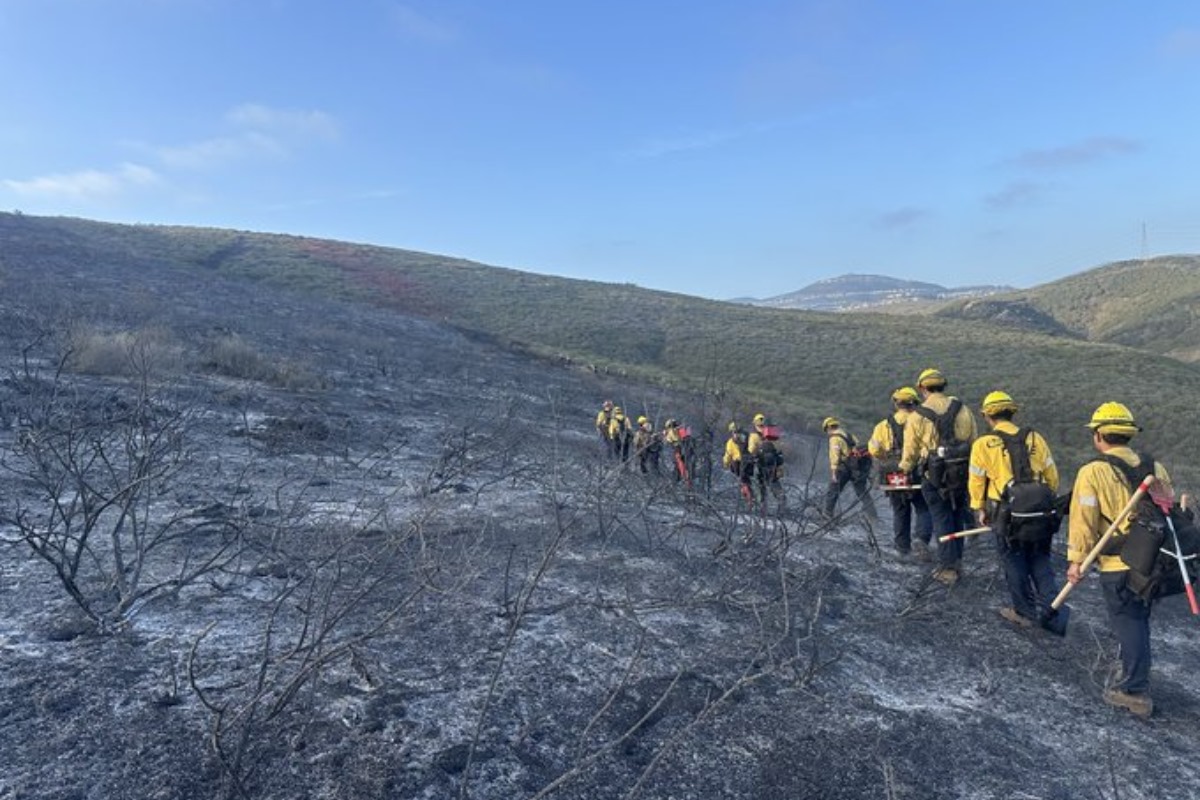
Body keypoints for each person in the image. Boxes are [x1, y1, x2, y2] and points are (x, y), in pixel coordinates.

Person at [1065, 402, 1172, 718]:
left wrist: (1076, 561)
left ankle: (1133, 690)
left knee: (1129, 621)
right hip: (1152, 562)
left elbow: (1083, 520)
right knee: (1139, 619)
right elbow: (1167, 511)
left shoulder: (1093, 471)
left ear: (1099, 435)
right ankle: (1133, 670)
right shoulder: (1157, 468)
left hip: (1118, 565)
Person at [968, 391, 1062, 629]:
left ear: (988, 416)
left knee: (1014, 559)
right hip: (1041, 509)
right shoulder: (1035, 438)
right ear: (1012, 412)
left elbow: (977, 481)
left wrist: (979, 508)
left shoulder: (983, 444)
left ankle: (1024, 612)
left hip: (1006, 512)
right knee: (1041, 559)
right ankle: (1054, 612)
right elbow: (1052, 476)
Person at [899, 368, 978, 585]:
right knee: (957, 516)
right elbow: (974, 441)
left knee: (942, 518)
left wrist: (905, 471)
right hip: (962, 473)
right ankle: (957, 561)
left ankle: (947, 569)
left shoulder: (917, 416)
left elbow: (910, 453)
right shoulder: (963, 410)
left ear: (922, 388)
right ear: (943, 386)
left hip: (934, 475)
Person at [869, 387, 932, 560]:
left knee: (900, 509)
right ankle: (921, 540)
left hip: (893, 472)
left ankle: (902, 548)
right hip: (918, 469)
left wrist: (888, 459)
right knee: (923, 507)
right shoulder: (923, 422)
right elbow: (930, 446)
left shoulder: (882, 426)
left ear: (896, 403)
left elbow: (874, 449)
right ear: (915, 403)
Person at [822, 417, 876, 520]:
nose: (827, 433)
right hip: (857, 468)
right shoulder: (849, 434)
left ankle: (827, 516)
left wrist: (834, 472)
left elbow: (834, 456)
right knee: (862, 492)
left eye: (826, 430)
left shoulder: (834, 438)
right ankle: (873, 516)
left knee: (833, 491)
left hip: (844, 468)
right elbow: (857, 447)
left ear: (828, 427)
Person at [746, 412, 786, 510]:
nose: (761, 426)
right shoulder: (770, 437)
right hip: (767, 466)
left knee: (763, 488)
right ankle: (778, 506)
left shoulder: (756, 437)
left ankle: (762, 508)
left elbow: (751, 451)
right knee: (771, 487)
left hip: (765, 466)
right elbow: (779, 452)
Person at [722, 421, 753, 506]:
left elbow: (728, 455)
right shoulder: (747, 438)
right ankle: (750, 497)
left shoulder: (732, 442)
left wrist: (726, 463)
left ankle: (749, 500)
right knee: (746, 481)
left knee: (743, 482)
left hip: (740, 464)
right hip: (748, 463)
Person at [663, 419, 692, 485]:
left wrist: (665, 434)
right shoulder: (681, 429)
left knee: (681, 465)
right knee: (682, 466)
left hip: (679, 450)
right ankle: (684, 480)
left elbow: (667, 440)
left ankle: (684, 480)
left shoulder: (673, 431)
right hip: (684, 450)